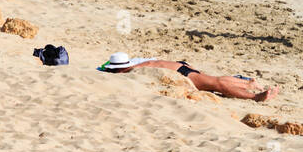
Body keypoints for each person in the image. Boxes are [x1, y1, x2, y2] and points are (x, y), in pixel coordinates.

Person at [99, 53, 278, 101]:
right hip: (180, 66)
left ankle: (255, 96)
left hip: (181, 73)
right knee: (213, 80)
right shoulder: (135, 62)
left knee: (216, 84)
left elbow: (102, 69)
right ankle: (248, 83)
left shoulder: (134, 68)